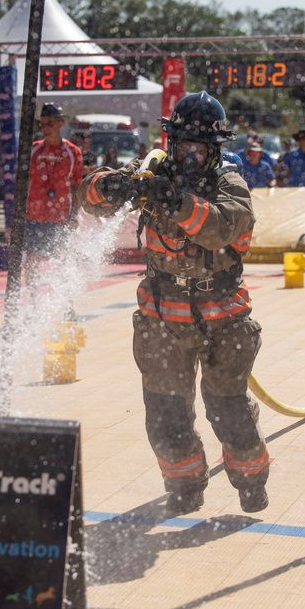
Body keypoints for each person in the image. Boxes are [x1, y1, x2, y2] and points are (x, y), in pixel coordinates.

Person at [78, 90, 270, 515]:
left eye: (197, 148)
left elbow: (219, 229)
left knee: (226, 412)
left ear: (214, 150)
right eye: (182, 145)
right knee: (165, 415)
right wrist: (110, 183)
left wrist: (175, 202)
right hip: (161, 319)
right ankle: (184, 485)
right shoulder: (151, 171)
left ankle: (251, 477)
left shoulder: (230, 184)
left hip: (223, 321)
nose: (188, 156)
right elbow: (88, 199)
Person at [24, 102, 84, 258]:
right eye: (42, 123)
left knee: (61, 259)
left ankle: (59, 283)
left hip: (60, 215)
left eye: (49, 123)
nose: (45, 127)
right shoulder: (33, 150)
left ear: (60, 123)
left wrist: (74, 216)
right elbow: (23, 184)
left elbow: (76, 186)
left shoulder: (73, 152)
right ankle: (31, 283)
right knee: (32, 258)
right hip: (34, 214)